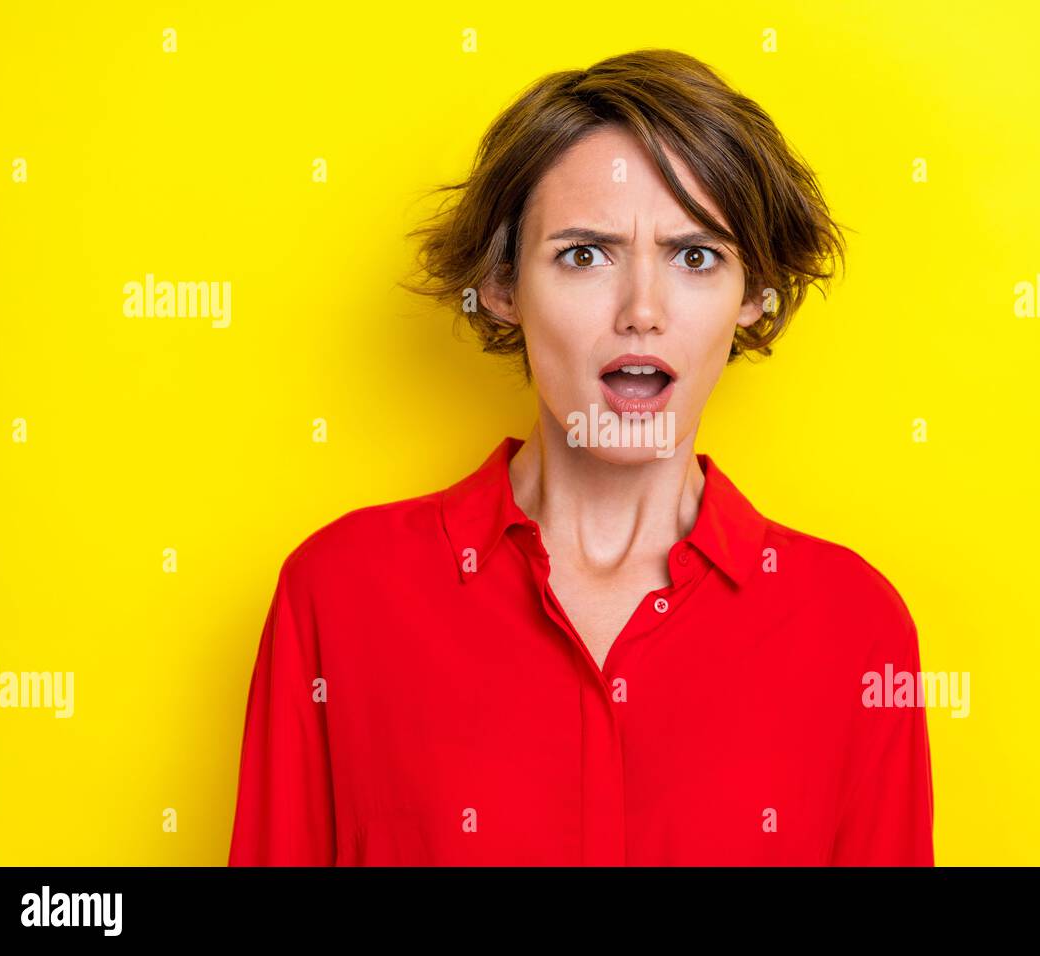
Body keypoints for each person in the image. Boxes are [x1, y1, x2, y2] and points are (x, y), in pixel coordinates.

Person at [228, 48, 934, 866]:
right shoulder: (339, 596)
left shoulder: (854, 631)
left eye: (695, 255)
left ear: (751, 296)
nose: (641, 310)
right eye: (584, 254)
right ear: (501, 285)